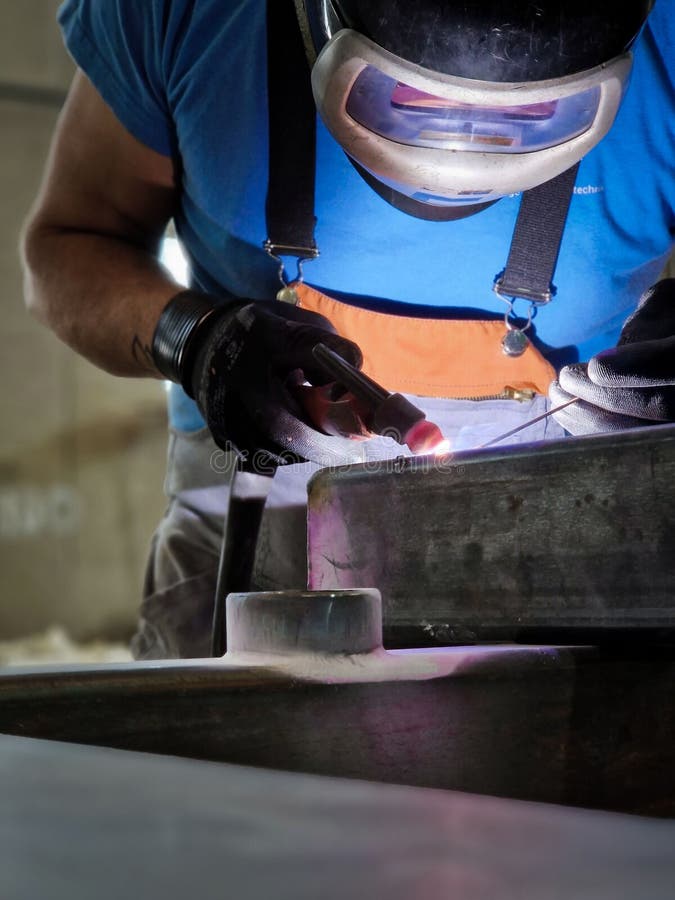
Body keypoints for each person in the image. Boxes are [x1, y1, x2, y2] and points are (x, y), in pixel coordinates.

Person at [20, 0, 675, 659]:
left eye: (530, 114)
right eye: (412, 99)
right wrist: (196, 339)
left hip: (573, 551)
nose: (468, 136)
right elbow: (69, 248)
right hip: (242, 547)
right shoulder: (187, 14)